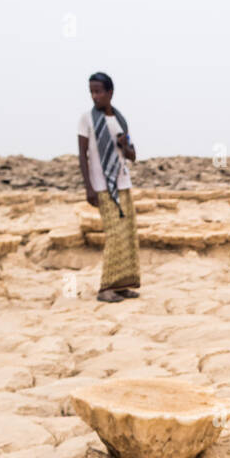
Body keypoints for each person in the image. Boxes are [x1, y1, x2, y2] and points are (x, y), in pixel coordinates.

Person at [77, 72, 140, 303]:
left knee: (128, 234)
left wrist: (125, 145)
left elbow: (133, 156)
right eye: (91, 91)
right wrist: (89, 188)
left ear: (110, 92)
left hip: (123, 183)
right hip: (102, 186)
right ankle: (106, 288)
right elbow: (82, 155)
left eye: (99, 91)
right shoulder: (87, 120)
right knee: (114, 235)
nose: (95, 96)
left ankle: (123, 285)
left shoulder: (121, 120)